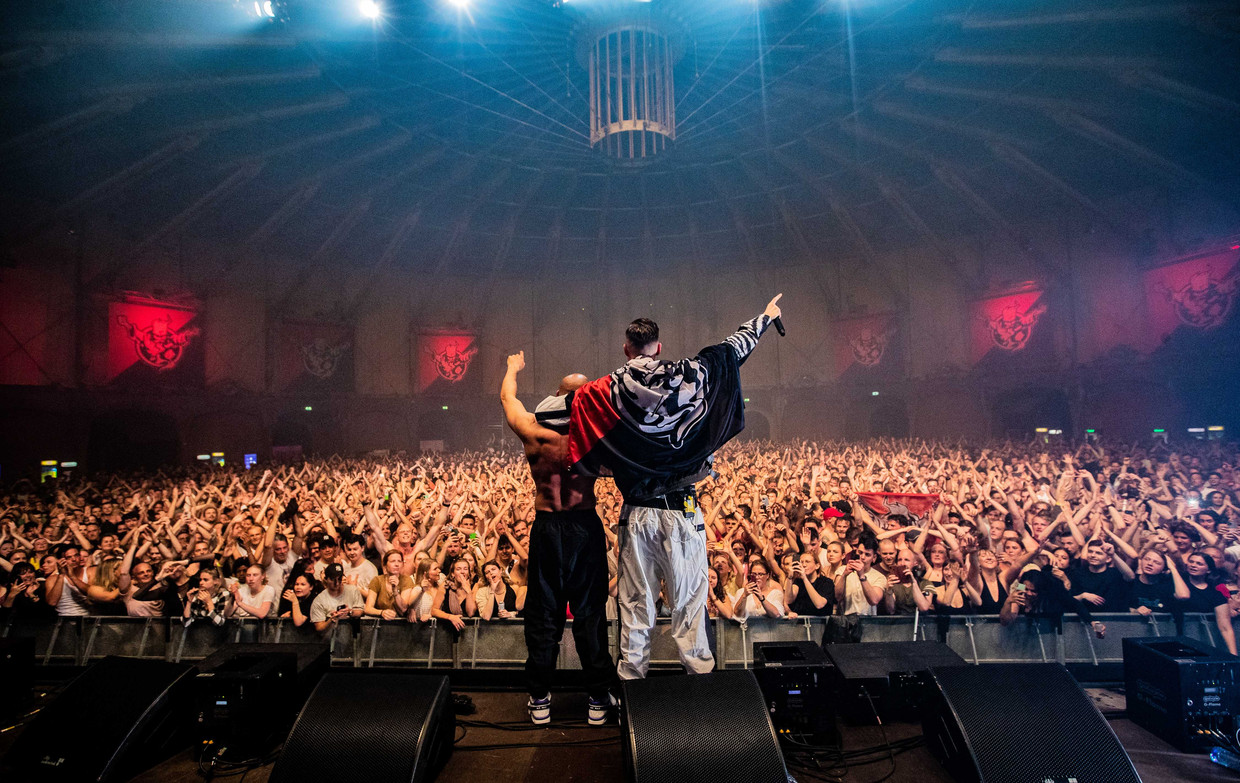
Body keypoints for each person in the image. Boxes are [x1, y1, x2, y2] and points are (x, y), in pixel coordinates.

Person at [566, 295, 783, 682]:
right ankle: (700, 694)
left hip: (637, 515)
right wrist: (765, 318)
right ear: (659, 346)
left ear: (625, 348)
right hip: (681, 513)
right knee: (690, 605)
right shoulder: (690, 375)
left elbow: (563, 407)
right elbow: (732, 350)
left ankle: (631, 687)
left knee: (635, 606)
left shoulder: (603, 391)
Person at [501, 352, 617, 726]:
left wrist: (512, 368)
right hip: (584, 525)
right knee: (590, 614)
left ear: (557, 395)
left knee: (544, 614)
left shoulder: (534, 431)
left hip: (547, 526)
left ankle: (539, 697)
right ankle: (598, 697)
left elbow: (508, 399)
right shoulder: (594, 441)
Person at [1182, 553, 1236, 655]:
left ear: (1208, 570)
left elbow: (1225, 627)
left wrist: (1234, 656)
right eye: (1191, 562)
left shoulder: (1215, 594)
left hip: (1203, 641)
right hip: (1177, 636)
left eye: (1199, 563)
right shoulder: (1178, 583)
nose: (1193, 565)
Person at [364, 550, 418, 621]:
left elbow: (403, 609)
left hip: (401, 624)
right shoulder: (377, 580)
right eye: (393, 561)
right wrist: (381, 612)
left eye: (399, 561)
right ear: (385, 565)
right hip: (381, 622)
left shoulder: (406, 580)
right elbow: (368, 608)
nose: (397, 564)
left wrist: (395, 592)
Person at [309, 562, 363, 633]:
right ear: (326, 579)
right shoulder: (319, 600)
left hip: (351, 635)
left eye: (339, 579)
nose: (337, 583)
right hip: (329, 638)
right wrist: (331, 619)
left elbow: (360, 611)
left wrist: (349, 612)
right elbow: (319, 627)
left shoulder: (353, 590)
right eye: (333, 579)